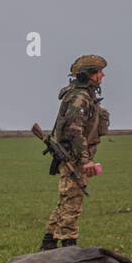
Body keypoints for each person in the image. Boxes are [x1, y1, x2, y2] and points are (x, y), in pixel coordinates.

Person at [42, 55, 110, 250]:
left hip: (75, 156)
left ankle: (48, 243)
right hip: (74, 158)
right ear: (88, 75)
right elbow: (75, 129)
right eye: (99, 72)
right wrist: (85, 160)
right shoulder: (79, 97)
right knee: (72, 202)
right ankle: (68, 247)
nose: (102, 75)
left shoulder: (83, 96)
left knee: (66, 200)